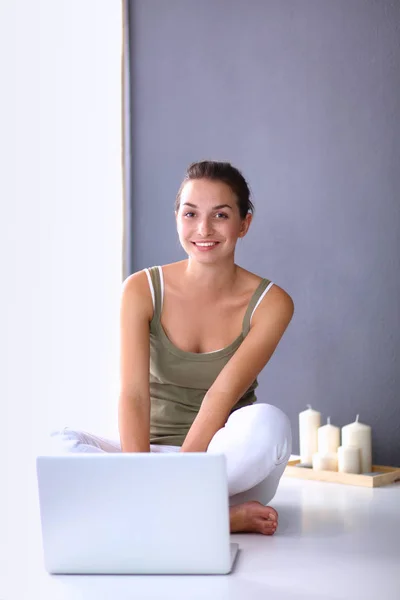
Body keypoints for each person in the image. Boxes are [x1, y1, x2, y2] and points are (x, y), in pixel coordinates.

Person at [53, 161, 294, 536]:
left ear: (244, 223)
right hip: (149, 457)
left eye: (221, 215)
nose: (203, 229)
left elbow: (221, 396)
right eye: (191, 213)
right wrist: (145, 474)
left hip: (224, 465)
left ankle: (152, 509)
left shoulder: (272, 302)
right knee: (57, 445)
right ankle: (212, 518)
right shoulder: (140, 289)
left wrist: (178, 476)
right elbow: (133, 394)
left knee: (271, 427)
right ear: (177, 218)